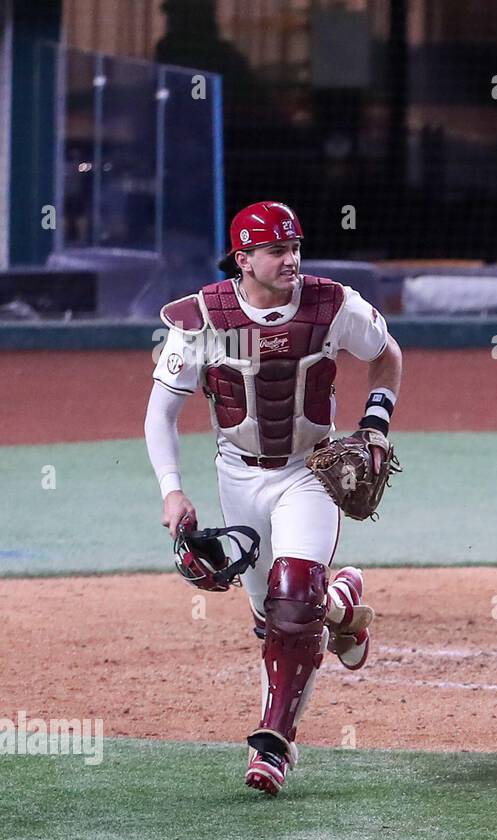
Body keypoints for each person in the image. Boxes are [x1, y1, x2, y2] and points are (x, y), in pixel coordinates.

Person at [144, 201, 403, 796]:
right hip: (238, 475)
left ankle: (273, 744)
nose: (291, 259)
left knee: (291, 604)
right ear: (244, 259)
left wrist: (375, 425)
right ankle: (340, 606)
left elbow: (387, 352)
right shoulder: (201, 318)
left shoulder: (334, 304)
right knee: (273, 620)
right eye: (276, 250)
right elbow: (161, 414)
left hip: (309, 471)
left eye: (295, 247)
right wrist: (173, 491)